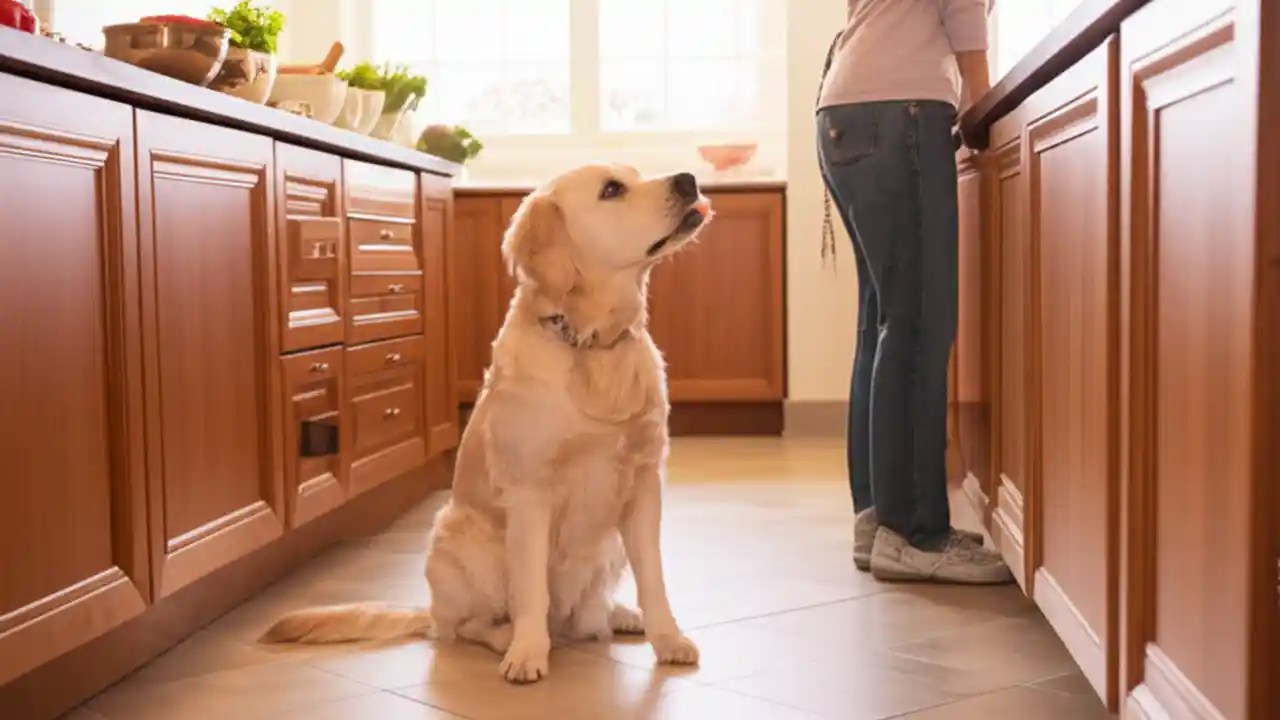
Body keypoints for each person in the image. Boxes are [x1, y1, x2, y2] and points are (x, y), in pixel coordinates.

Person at [816, 0, 1012, 584]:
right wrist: (980, 100)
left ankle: (879, 520)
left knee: (883, 322)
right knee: (918, 323)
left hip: (845, 108)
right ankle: (915, 532)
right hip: (899, 111)